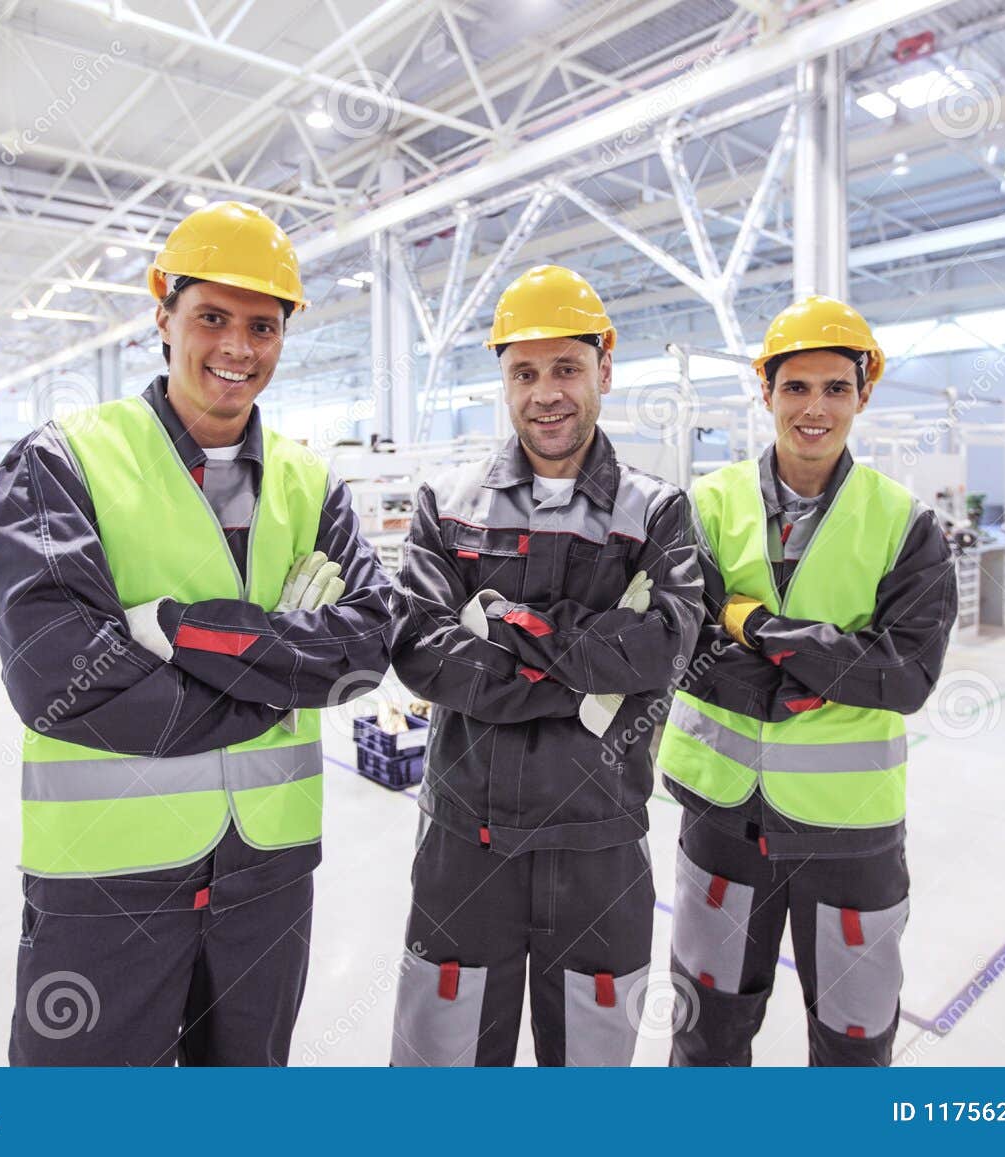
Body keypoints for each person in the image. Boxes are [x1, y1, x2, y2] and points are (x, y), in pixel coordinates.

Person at [0, 200, 392, 1066]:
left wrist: (172, 630)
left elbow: (363, 650)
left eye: (261, 325)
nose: (237, 348)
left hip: (268, 871)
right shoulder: (62, 461)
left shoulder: (310, 481)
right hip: (108, 876)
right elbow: (58, 674)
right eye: (212, 317)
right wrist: (282, 669)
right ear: (162, 313)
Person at [388, 265, 702, 1066]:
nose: (546, 392)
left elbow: (665, 646)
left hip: (600, 850)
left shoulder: (657, 510)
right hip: (466, 847)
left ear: (604, 367)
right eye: (524, 372)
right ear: (503, 380)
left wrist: (503, 633)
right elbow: (422, 651)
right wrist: (589, 668)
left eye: (566, 367)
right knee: (442, 1075)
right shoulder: (446, 500)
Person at [656, 295, 956, 1066]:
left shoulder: (904, 524)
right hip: (723, 823)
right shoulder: (706, 506)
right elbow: (676, 640)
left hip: (849, 832)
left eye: (835, 388)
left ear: (863, 394)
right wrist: (821, 670)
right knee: (705, 1036)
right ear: (766, 393)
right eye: (796, 387)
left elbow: (907, 673)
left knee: (854, 1045)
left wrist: (757, 627)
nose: (814, 408)